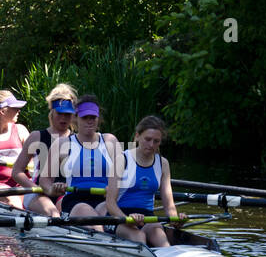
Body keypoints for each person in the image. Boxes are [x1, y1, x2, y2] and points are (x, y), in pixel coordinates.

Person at [41, 95, 122, 228]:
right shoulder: (62, 144)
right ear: (75, 118)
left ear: (98, 119)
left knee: (105, 215)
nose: (89, 121)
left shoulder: (110, 141)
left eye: (93, 118)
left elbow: (123, 176)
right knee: (95, 222)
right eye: (85, 117)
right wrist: (52, 190)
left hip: (105, 199)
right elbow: (45, 181)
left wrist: (115, 189)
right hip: (75, 200)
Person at [106, 116, 179, 247]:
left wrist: (176, 219)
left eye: (156, 141)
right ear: (138, 136)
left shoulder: (163, 164)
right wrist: (127, 220)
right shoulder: (122, 160)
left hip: (147, 218)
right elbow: (110, 204)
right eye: (148, 139)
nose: (151, 145)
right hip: (119, 217)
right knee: (138, 237)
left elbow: (169, 206)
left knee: (162, 241)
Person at [10, 83, 78, 217]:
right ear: (52, 112)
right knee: (53, 214)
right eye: (60, 113)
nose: (64, 118)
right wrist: (35, 188)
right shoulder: (36, 137)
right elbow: (17, 172)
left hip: (65, 193)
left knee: (63, 213)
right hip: (37, 192)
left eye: (68, 114)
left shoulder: (77, 140)